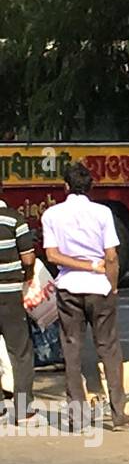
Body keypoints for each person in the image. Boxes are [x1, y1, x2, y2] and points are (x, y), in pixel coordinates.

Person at [41, 162, 129, 431]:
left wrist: (79, 266)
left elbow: (52, 255)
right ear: (90, 187)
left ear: (65, 186)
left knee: (71, 349)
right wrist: (110, 283)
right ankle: (118, 415)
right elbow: (112, 256)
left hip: (69, 287)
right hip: (100, 288)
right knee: (109, 349)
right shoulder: (103, 213)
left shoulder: (51, 215)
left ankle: (77, 416)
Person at [0, 180, 38, 425]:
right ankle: (23, 412)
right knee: (20, 352)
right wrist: (30, 275)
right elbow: (28, 258)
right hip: (11, 295)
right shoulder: (15, 220)